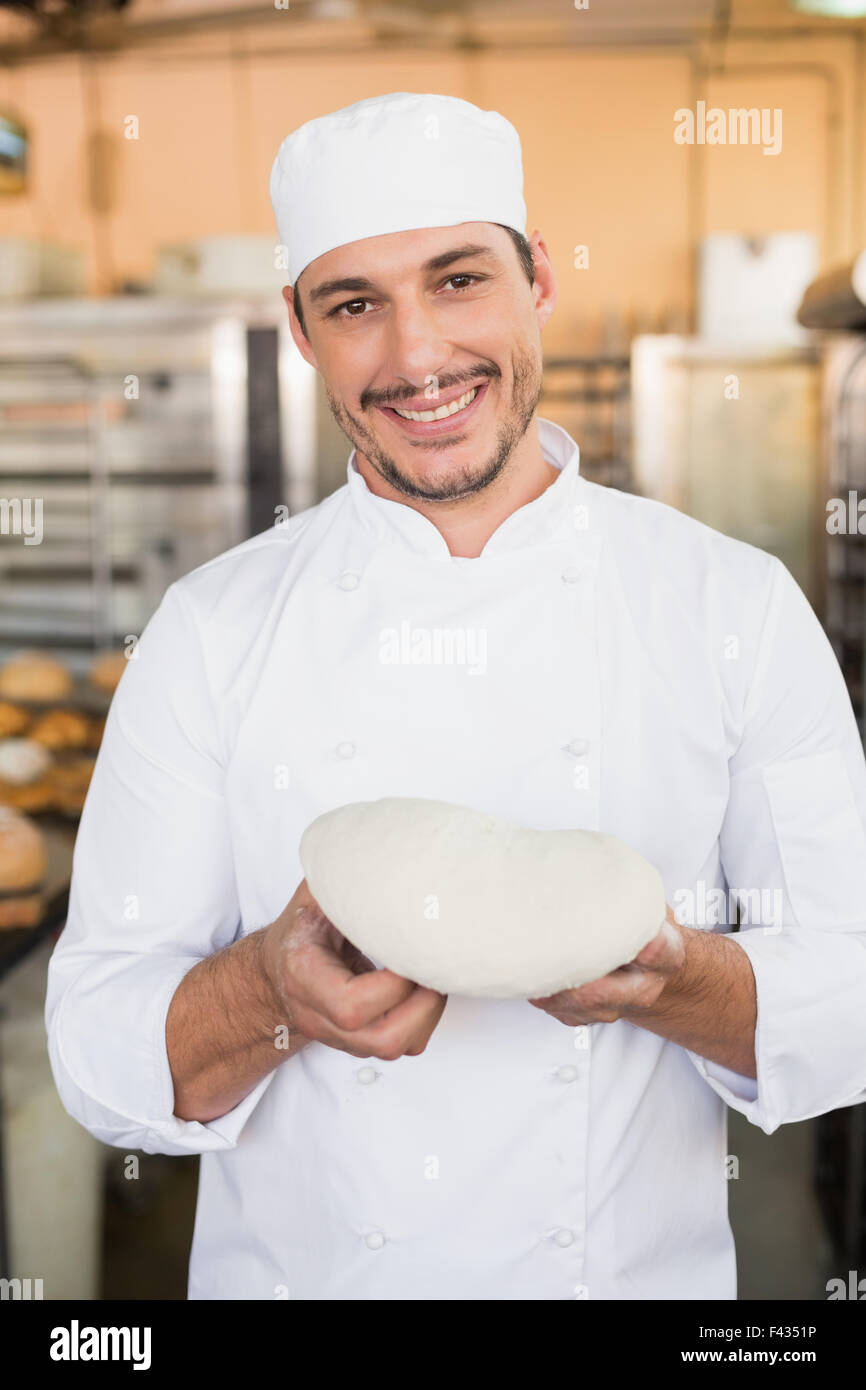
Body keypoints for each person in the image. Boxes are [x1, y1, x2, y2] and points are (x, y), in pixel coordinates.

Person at [46, 91, 866, 1301]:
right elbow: (94, 1055)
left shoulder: (729, 608)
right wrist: (270, 997)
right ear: (300, 329)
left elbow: (850, 994)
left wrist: (680, 978)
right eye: (354, 304)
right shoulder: (211, 632)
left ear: (537, 278)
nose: (417, 356)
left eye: (458, 279)